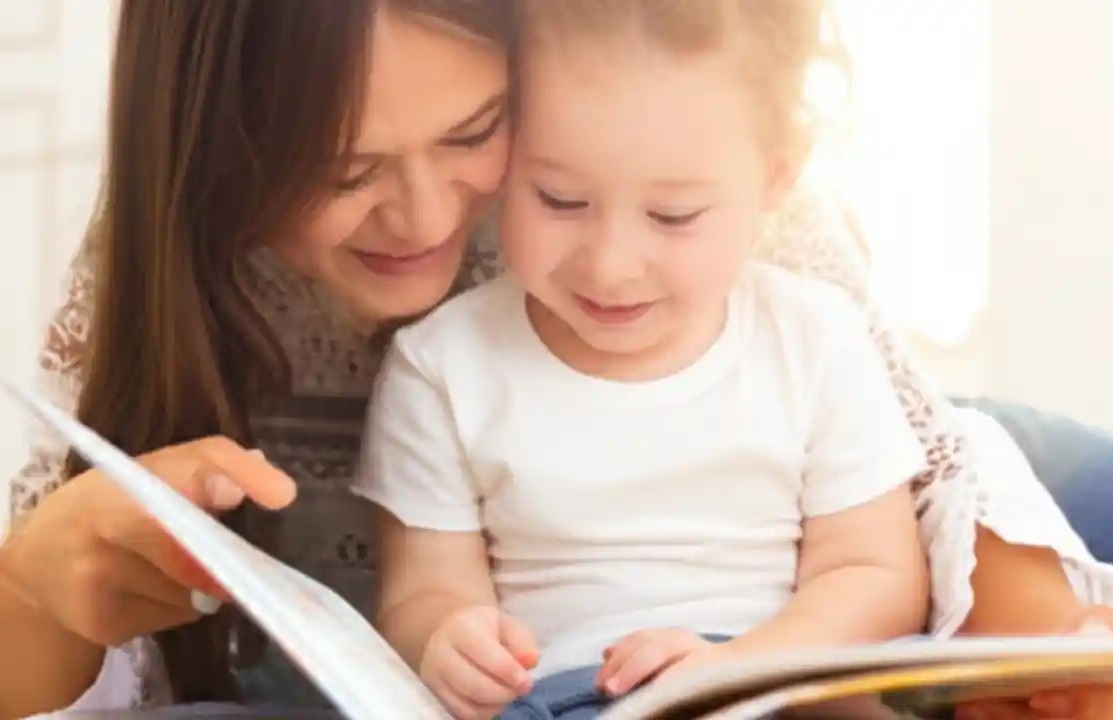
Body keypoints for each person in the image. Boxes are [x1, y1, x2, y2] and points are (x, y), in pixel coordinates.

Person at [0, 0, 1113, 718]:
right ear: (222, 152)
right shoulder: (167, 280)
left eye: (474, 135)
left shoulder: (644, 166)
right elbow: (66, 682)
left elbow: (929, 463)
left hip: (900, 490)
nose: (420, 219)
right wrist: (28, 599)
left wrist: (1033, 641)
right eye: (342, 172)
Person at [358, 3, 932, 717]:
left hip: (779, 684)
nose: (611, 265)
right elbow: (421, 594)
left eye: (673, 216)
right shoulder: (441, 366)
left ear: (777, 176)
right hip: (556, 698)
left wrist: (737, 666)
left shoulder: (814, 337)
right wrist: (448, 641)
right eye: (559, 199)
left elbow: (875, 574)